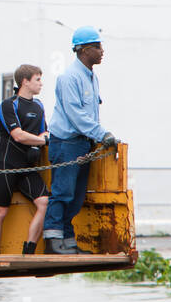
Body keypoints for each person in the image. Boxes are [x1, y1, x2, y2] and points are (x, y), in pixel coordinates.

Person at [44, 26, 118, 255]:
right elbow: (76, 115)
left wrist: (96, 136)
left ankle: (67, 240)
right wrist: (102, 134)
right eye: (97, 46)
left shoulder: (90, 77)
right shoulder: (69, 78)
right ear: (84, 50)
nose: (102, 51)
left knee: (76, 197)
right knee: (62, 192)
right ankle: (52, 239)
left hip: (83, 143)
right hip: (66, 143)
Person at [0, 64, 51, 255]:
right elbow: (18, 135)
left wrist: (42, 138)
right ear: (25, 81)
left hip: (27, 166)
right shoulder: (8, 105)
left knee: (44, 202)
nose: (41, 83)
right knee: (0, 211)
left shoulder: (38, 106)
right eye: (37, 79)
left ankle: (29, 249)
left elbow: (44, 130)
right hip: (6, 164)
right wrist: (41, 141)